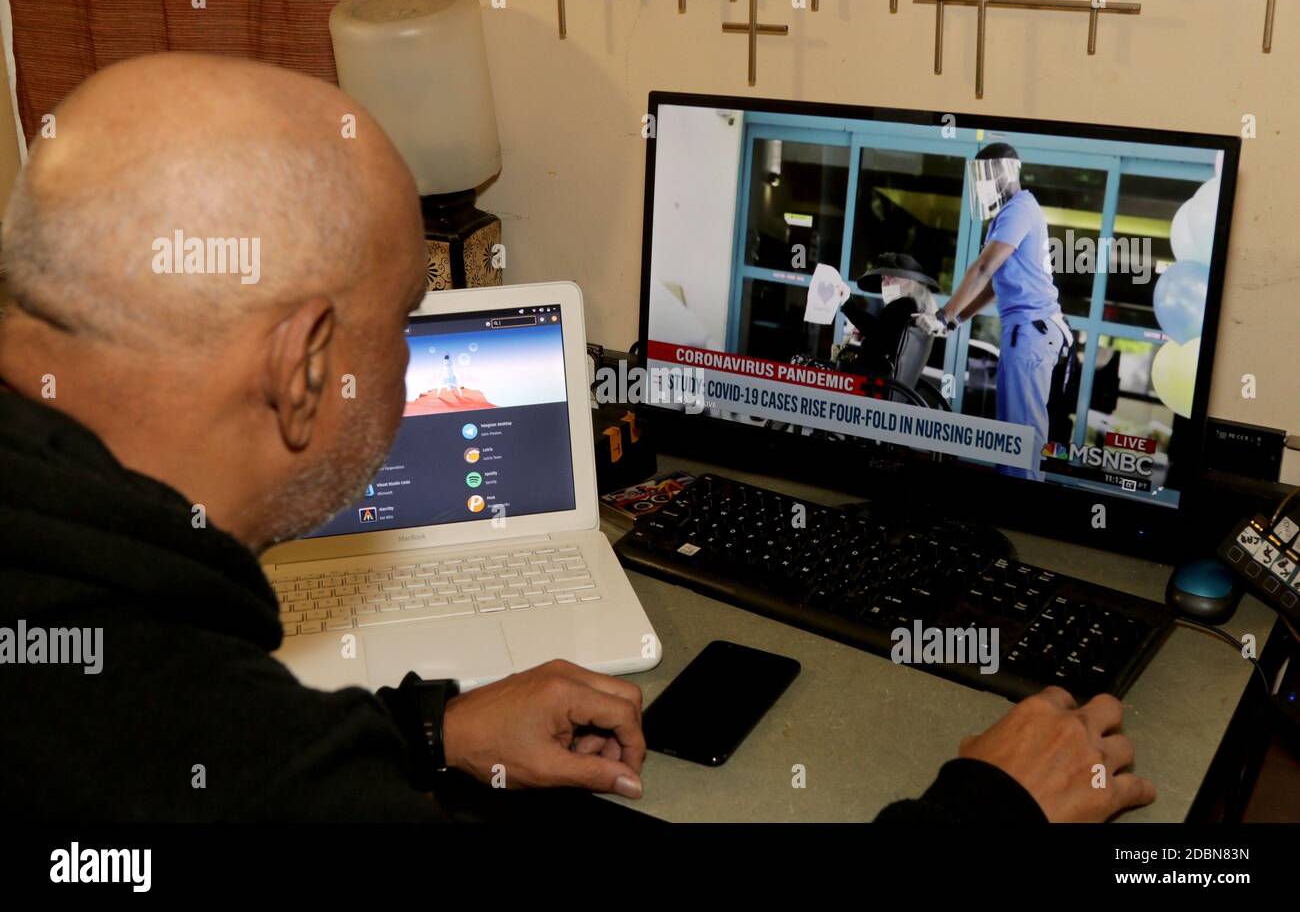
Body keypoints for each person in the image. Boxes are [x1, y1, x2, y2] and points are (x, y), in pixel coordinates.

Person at [0, 53, 1153, 822]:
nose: (416, 358)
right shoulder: (198, 745)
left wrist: (427, 726)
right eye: (402, 323)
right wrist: (988, 812)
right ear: (303, 368)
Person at [915, 144, 1073, 481]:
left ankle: (1015, 517)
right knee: (1017, 434)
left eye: (988, 174)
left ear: (1007, 171)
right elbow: (995, 284)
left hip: (1031, 331)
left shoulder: (1018, 209)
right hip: (1031, 331)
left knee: (1018, 439)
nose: (983, 183)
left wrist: (943, 314)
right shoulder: (1014, 213)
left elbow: (985, 267)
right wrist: (957, 319)